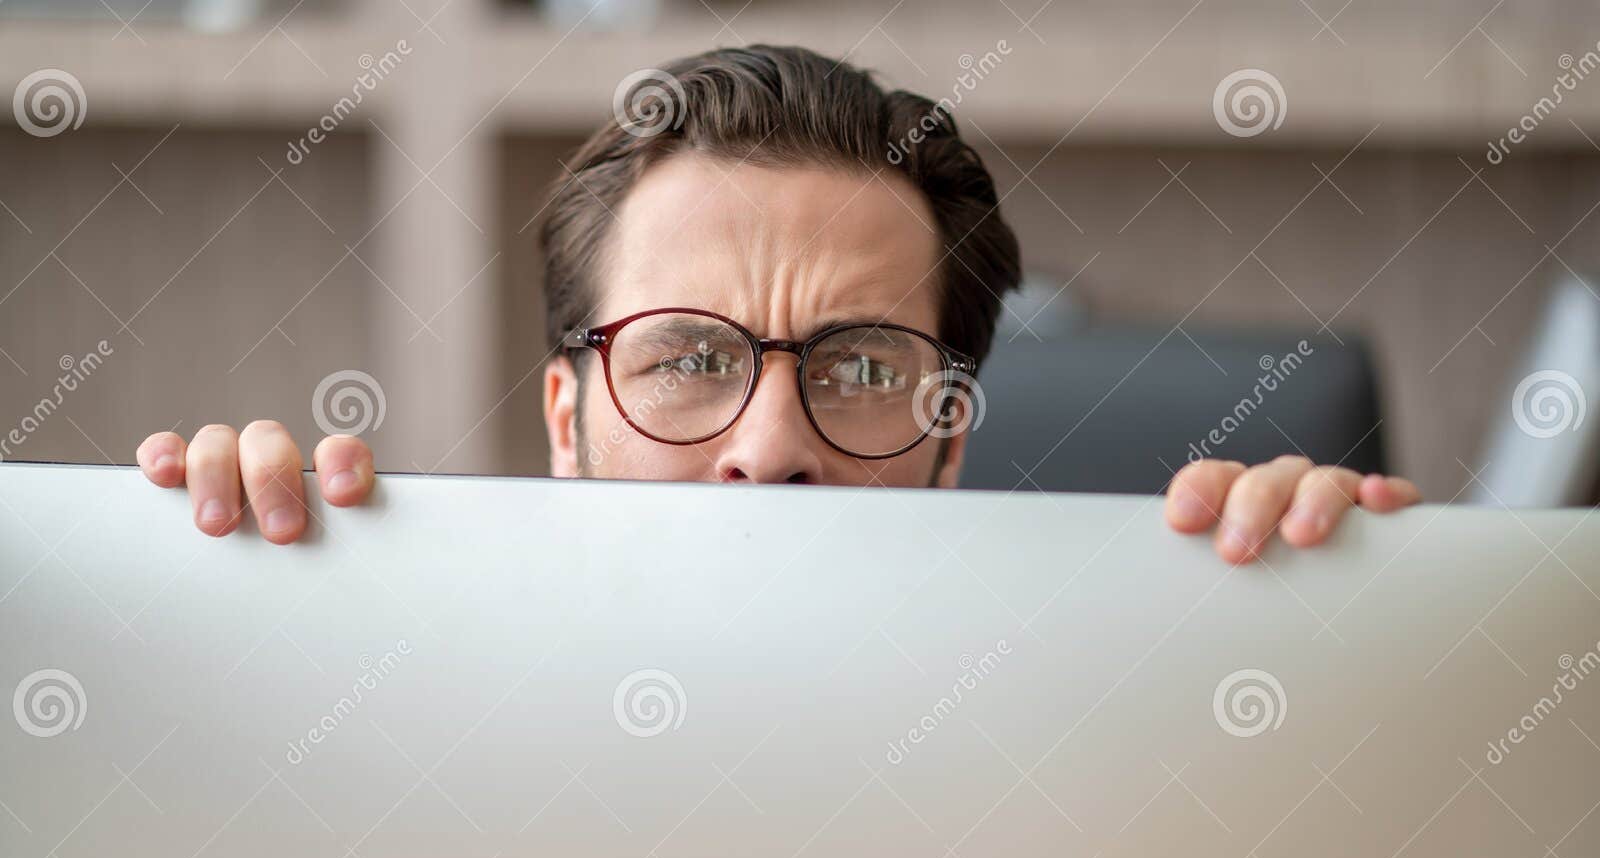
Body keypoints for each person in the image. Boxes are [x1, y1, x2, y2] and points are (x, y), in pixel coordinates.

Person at [133, 44, 1419, 564]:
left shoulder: (1113, 746)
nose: (767, 452)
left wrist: (1342, 639)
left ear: (953, 438)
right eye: (688, 356)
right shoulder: (400, 735)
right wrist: (236, 613)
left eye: (861, 370)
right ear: (565, 420)